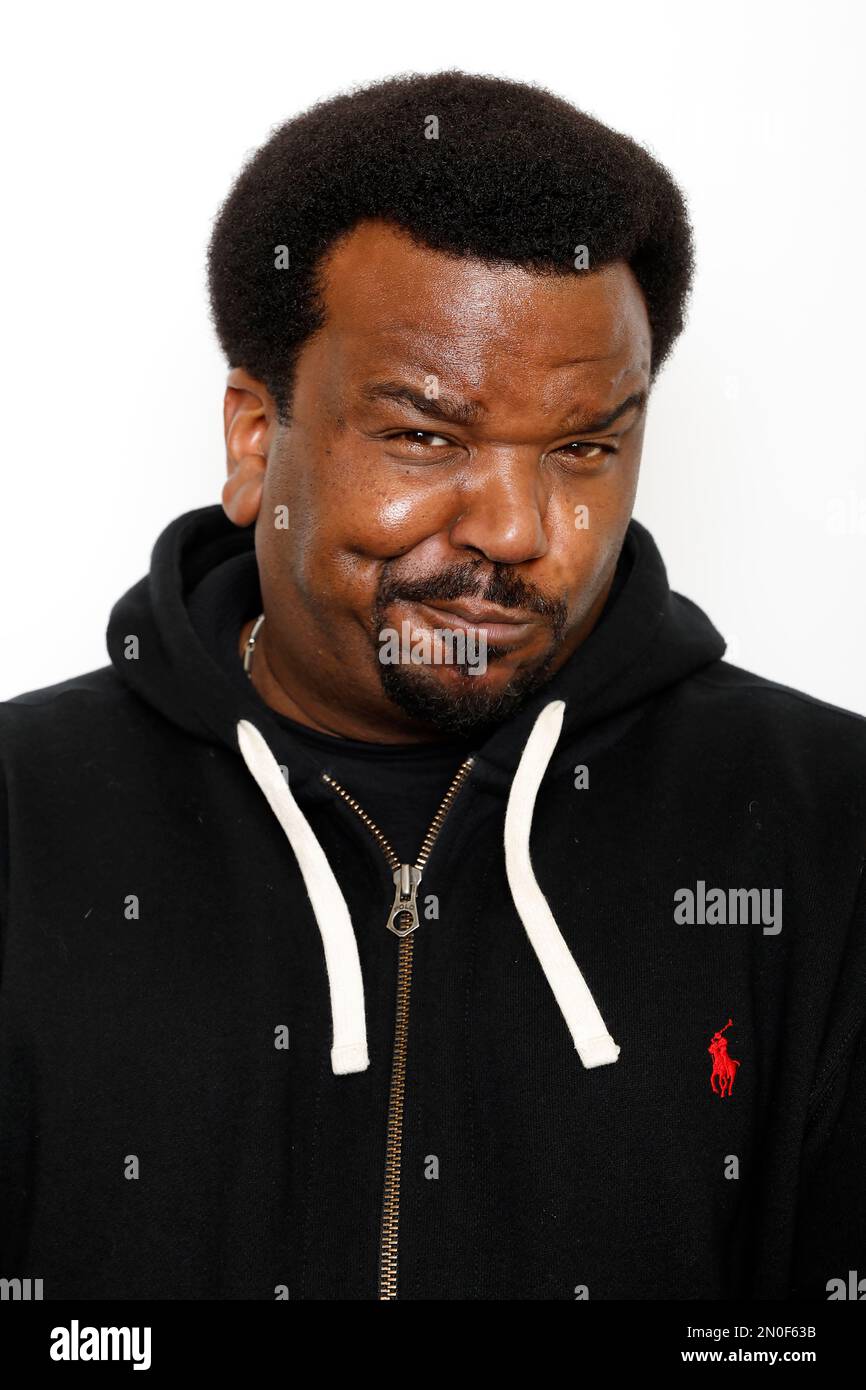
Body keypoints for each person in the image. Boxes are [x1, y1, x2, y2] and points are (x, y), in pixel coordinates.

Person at [1, 71, 864, 1302]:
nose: (515, 530)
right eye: (423, 434)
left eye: (583, 448)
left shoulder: (827, 830)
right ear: (257, 442)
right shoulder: (24, 824)